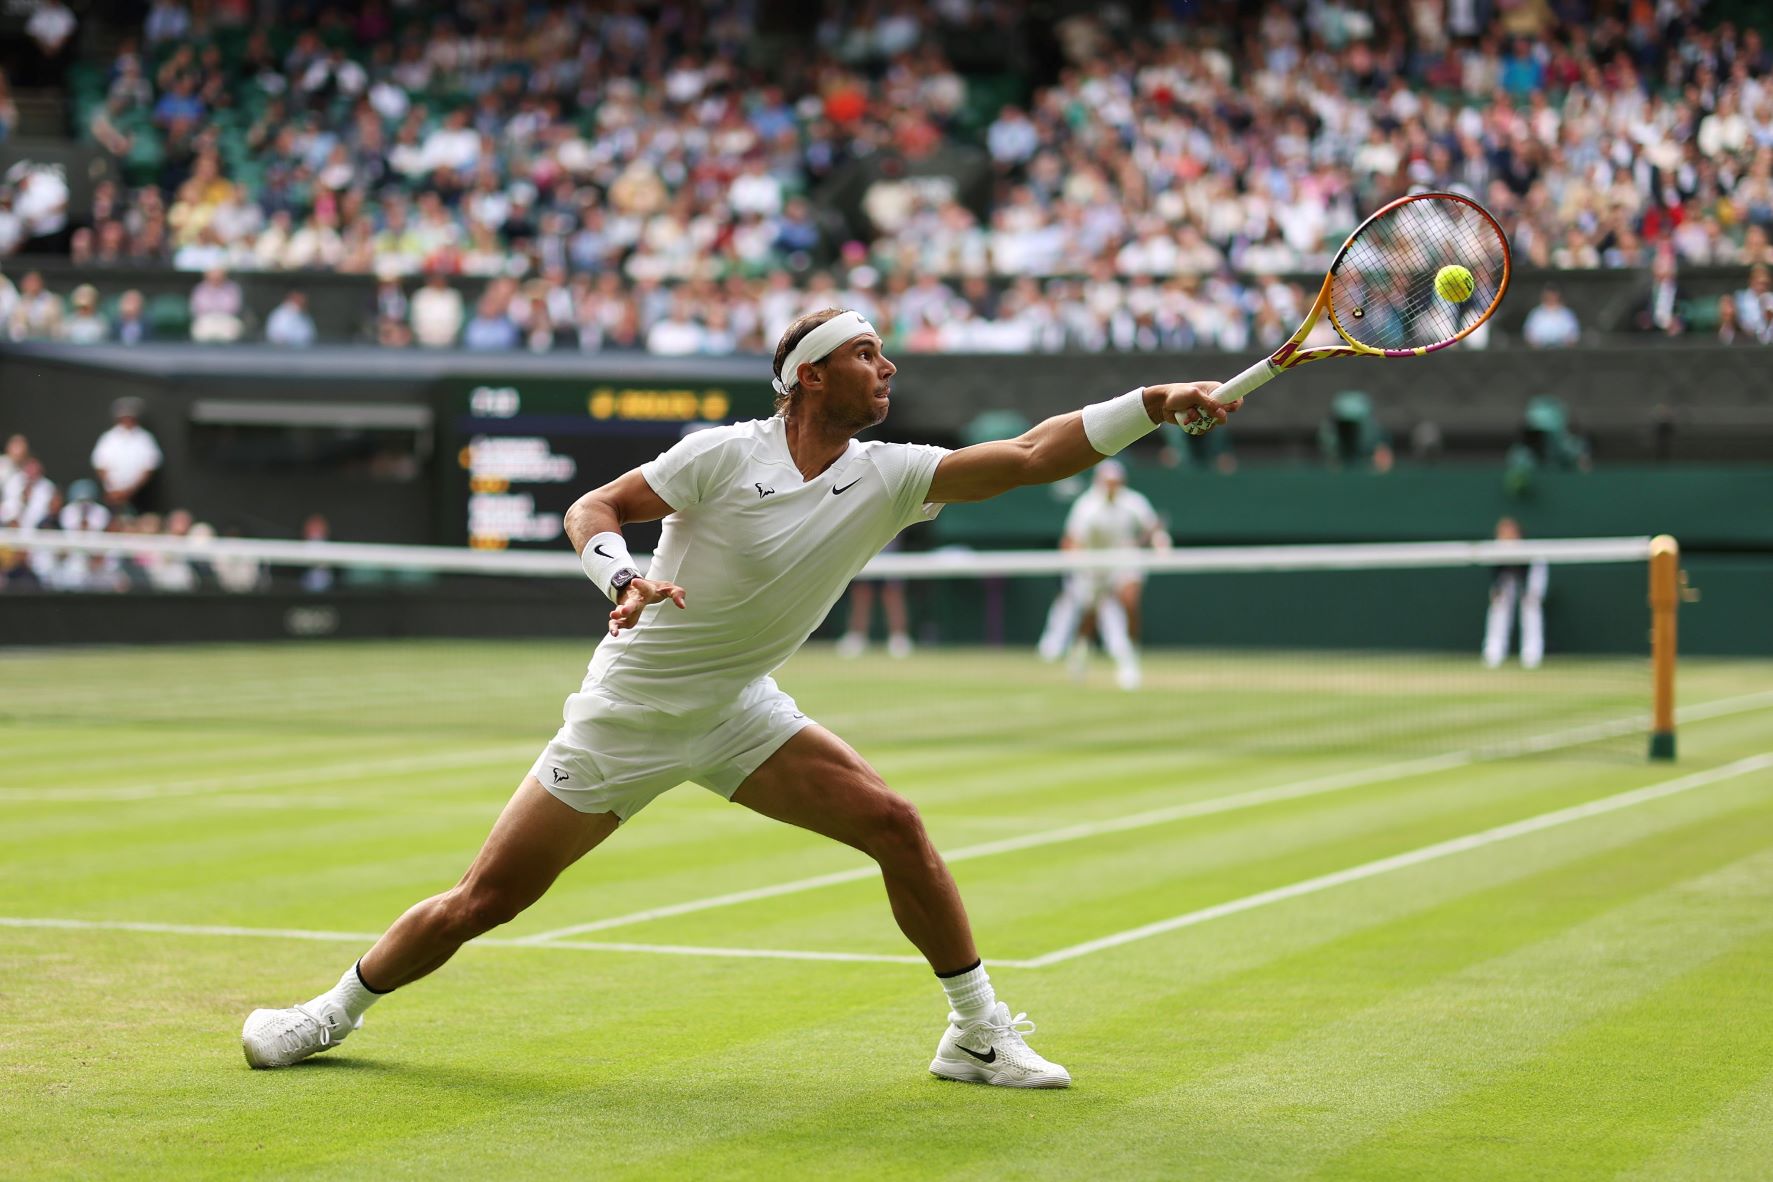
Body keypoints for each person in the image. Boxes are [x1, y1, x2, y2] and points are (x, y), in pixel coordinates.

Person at [240, 307, 1235, 1086]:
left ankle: (976, 1036)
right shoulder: (723, 454)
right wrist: (622, 579)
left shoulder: (888, 476)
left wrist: (1150, 402)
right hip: (628, 715)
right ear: (812, 374)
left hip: (739, 708)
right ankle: (329, 1012)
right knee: (485, 900)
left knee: (894, 823)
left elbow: (1029, 455)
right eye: (868, 354)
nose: (888, 369)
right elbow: (591, 508)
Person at [1035, 460, 1169, 691]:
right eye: (1107, 483)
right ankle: (1080, 650)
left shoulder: (1134, 502)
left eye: (1115, 483)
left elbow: (1153, 527)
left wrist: (1160, 543)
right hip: (1092, 567)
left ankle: (1130, 661)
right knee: (1090, 617)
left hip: (1124, 561)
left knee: (1129, 601)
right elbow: (1071, 542)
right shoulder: (1086, 507)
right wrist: (1076, 567)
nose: (1111, 487)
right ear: (1099, 482)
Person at [1482, 517, 1547, 670]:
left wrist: (1533, 592)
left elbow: (1536, 572)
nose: (1505, 534)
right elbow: (1496, 574)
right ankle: (1493, 653)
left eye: (1509, 530)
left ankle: (1532, 655)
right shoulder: (1495, 548)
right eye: (1502, 531)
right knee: (1498, 609)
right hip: (1506, 580)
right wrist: (1496, 591)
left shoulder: (1529, 549)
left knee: (1531, 609)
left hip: (1529, 578)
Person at [91, 397, 162, 512]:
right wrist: (113, 490)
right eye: (124, 417)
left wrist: (129, 491)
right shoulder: (108, 437)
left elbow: (149, 468)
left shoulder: (145, 438)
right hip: (111, 495)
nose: (127, 420)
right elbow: (100, 465)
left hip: (138, 497)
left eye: (130, 417)